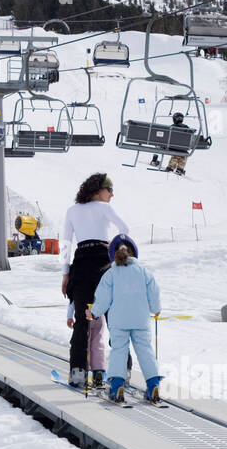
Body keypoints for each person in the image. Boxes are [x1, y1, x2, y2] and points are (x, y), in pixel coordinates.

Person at [61, 173, 130, 388]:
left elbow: (66, 243)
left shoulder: (72, 211)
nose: (112, 195)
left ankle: (78, 374)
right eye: (109, 190)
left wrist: (65, 274)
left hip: (81, 266)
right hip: (103, 264)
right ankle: (121, 373)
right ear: (98, 190)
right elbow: (125, 230)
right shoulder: (104, 208)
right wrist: (116, 251)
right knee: (115, 320)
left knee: (82, 323)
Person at [90, 234, 164, 404]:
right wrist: (156, 309)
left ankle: (117, 388)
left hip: (119, 321)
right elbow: (154, 292)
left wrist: (94, 313)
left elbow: (102, 298)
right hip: (141, 320)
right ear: (134, 252)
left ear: (112, 254)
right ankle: (153, 386)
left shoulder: (110, 274)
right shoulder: (144, 272)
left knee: (118, 352)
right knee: (145, 351)